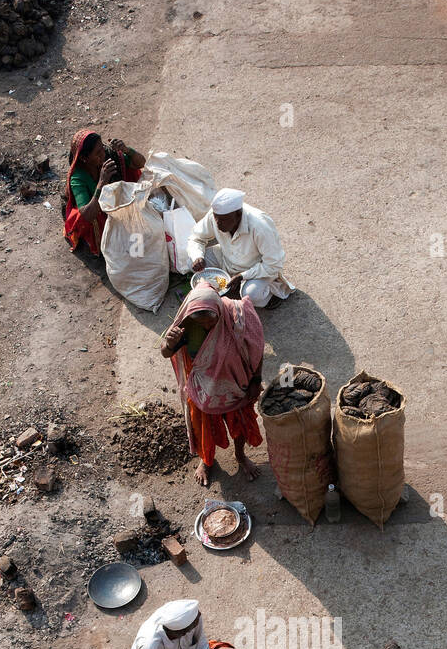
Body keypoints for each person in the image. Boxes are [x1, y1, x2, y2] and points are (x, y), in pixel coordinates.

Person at [161, 281, 264, 487]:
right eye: (203, 324)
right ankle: (206, 460)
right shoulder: (186, 324)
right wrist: (169, 343)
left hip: (235, 386)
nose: (208, 326)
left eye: (211, 321)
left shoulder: (237, 315)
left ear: (219, 309)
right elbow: (166, 352)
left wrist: (256, 380)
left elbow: (256, 349)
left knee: (239, 425)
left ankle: (240, 455)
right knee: (204, 428)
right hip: (202, 391)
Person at [187, 188, 294, 308]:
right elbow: (196, 238)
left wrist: (243, 276)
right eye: (216, 217)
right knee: (190, 262)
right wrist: (198, 257)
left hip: (255, 269)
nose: (218, 223)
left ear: (238, 215)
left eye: (223, 220)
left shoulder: (260, 225)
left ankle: (271, 294)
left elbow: (274, 264)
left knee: (251, 295)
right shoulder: (217, 215)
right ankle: (233, 282)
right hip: (226, 258)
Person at [63, 130, 145, 256]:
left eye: (102, 148)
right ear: (85, 158)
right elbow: (87, 215)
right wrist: (102, 182)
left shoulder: (108, 155)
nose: (103, 154)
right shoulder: (78, 177)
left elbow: (141, 163)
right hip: (97, 212)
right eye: (97, 153)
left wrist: (126, 150)